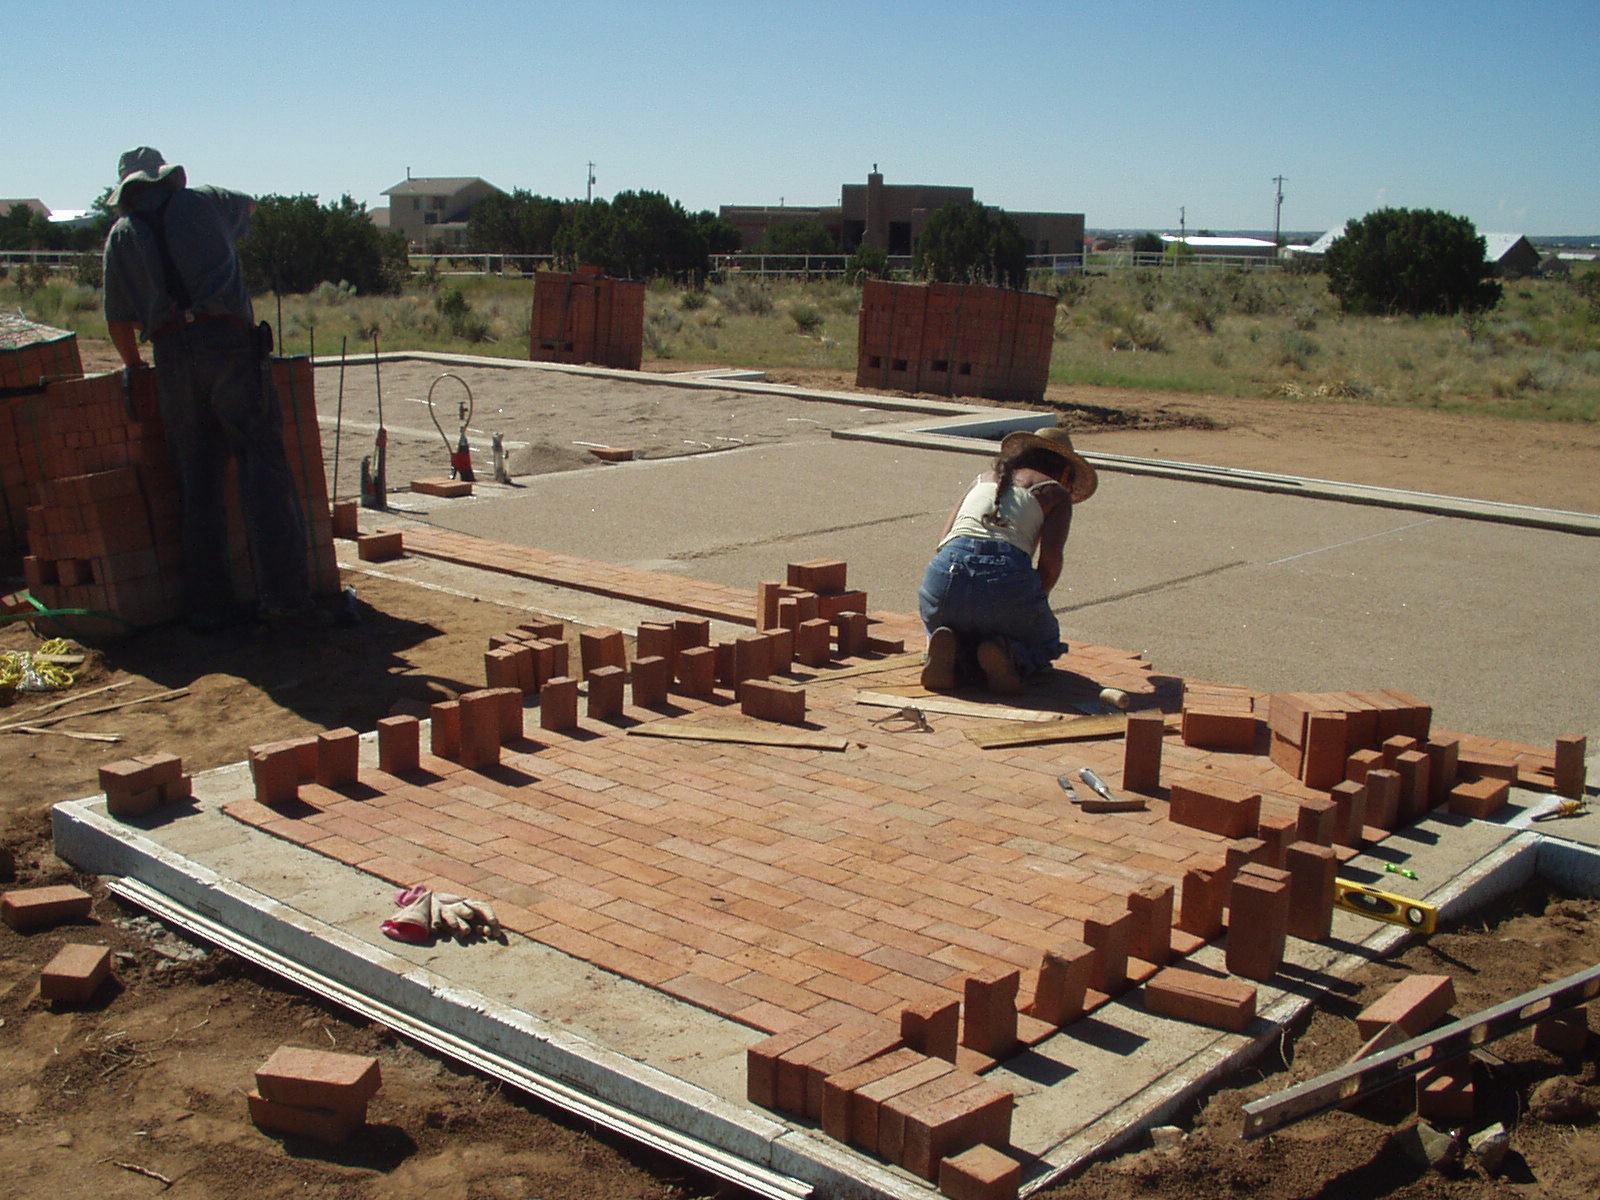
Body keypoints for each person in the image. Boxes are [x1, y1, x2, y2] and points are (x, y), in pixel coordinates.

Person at [102, 147, 315, 633]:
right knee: (262, 469)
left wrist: (135, 366)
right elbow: (253, 206)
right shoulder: (203, 202)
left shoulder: (121, 236)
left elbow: (117, 321)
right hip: (229, 344)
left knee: (197, 485)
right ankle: (283, 599)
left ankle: (211, 610)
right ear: (169, 178)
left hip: (172, 358)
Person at [918, 425, 1097, 694]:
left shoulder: (981, 479)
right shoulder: (1055, 493)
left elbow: (943, 541)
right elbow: (1050, 563)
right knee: (1046, 639)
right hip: (1005, 584)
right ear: (1067, 471)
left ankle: (949, 653)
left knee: (958, 623)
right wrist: (1034, 601)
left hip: (943, 581)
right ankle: (1010, 655)